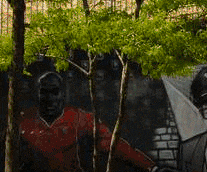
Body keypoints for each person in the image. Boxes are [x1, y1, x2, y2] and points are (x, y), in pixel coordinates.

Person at [19, 71, 162, 172]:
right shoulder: (22, 120)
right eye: (44, 92)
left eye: (54, 92)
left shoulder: (79, 118)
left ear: (63, 94)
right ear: (36, 93)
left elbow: (114, 145)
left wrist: (151, 167)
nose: (49, 98)